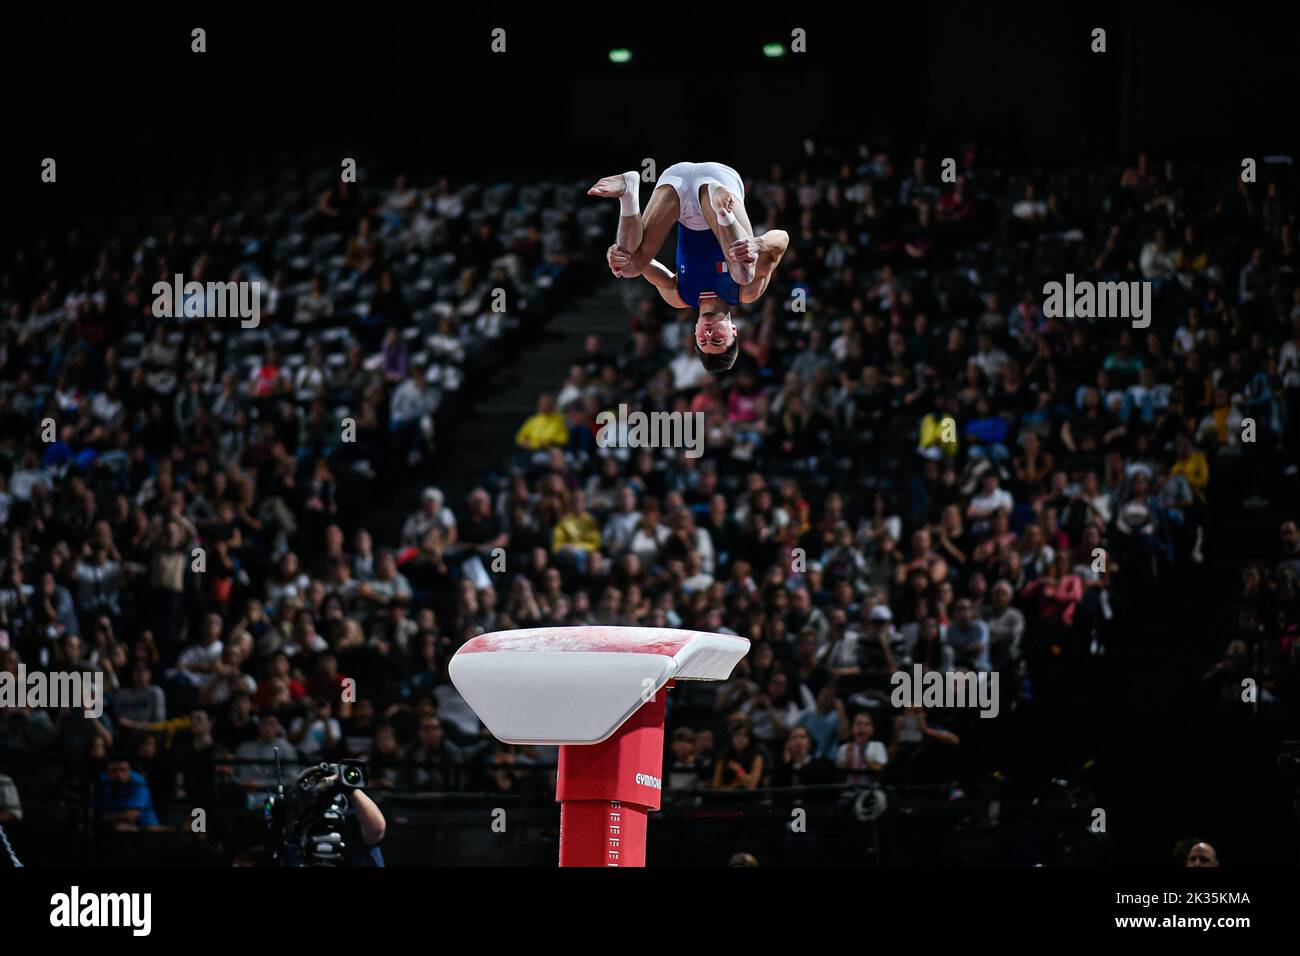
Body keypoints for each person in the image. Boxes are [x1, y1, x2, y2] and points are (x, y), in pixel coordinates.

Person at [590, 162, 789, 372]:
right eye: (718, 340)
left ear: (695, 332)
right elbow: (782, 239)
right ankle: (724, 213)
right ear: (733, 330)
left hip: (676, 189)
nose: (709, 334)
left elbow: (642, 263)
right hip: (719, 183)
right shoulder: (746, 293)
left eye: (703, 341)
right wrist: (759, 244)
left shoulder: (679, 296)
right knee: (743, 274)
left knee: (629, 268)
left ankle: (628, 192)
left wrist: (616, 254)